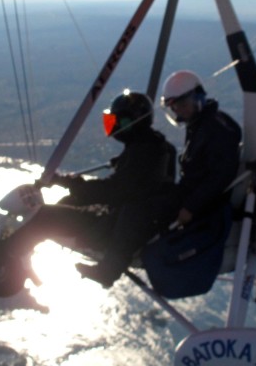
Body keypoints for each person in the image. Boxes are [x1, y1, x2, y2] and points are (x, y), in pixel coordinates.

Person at [74, 69, 242, 287]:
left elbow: (220, 175)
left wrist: (191, 207)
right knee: (142, 199)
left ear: (196, 97)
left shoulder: (214, 128)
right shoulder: (204, 123)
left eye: (180, 105)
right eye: (173, 107)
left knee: (135, 212)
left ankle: (109, 271)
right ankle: (109, 250)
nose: (178, 111)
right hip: (190, 193)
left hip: (200, 203)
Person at [0, 90, 176, 273]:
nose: (113, 127)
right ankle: (22, 247)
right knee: (67, 202)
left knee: (46, 216)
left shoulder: (144, 152)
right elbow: (132, 186)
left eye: (117, 122)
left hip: (113, 230)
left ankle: (1, 255)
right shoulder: (158, 147)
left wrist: (65, 181)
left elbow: (110, 191)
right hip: (130, 225)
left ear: (130, 123)